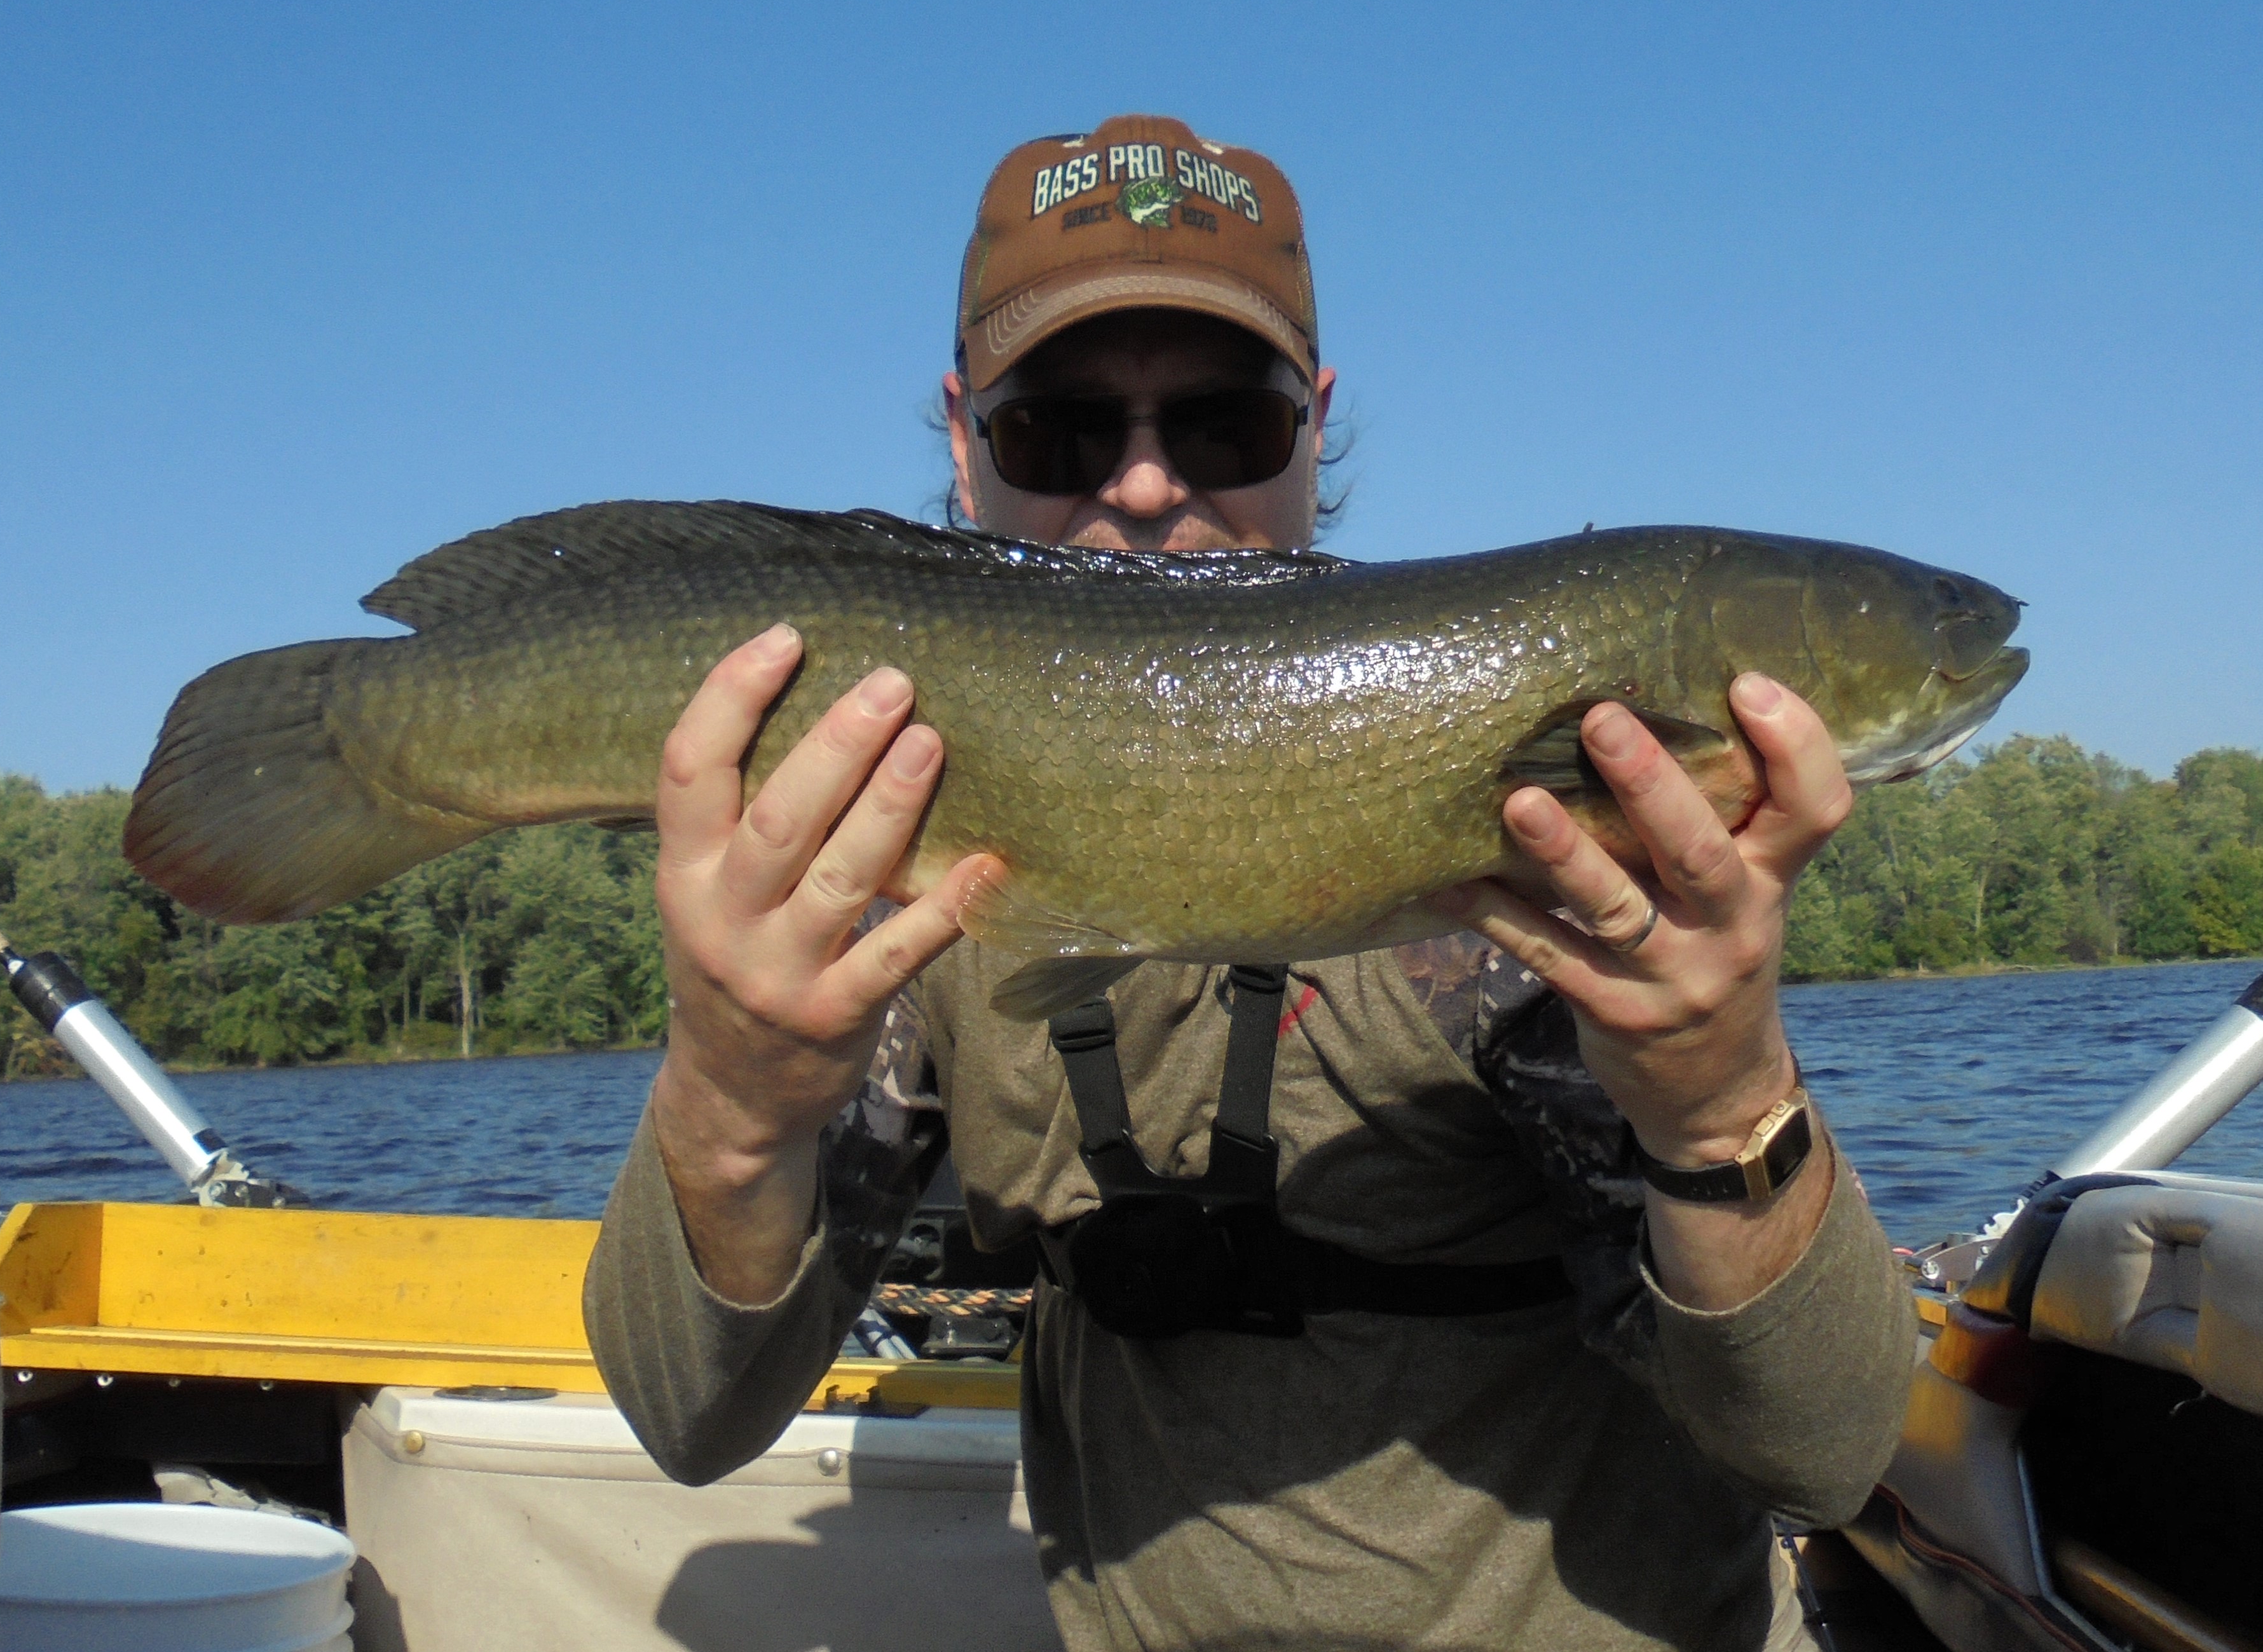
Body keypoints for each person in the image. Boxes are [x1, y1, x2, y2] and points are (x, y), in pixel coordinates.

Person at [585, 114, 1915, 1651]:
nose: (1147, 488)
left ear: (1315, 422)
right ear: (962, 441)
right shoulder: (878, 859)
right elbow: (690, 1418)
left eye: (1224, 423)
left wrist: (1717, 1094)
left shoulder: (1557, 840)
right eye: (1059, 432)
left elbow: (1824, 1456)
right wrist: (730, 1096)